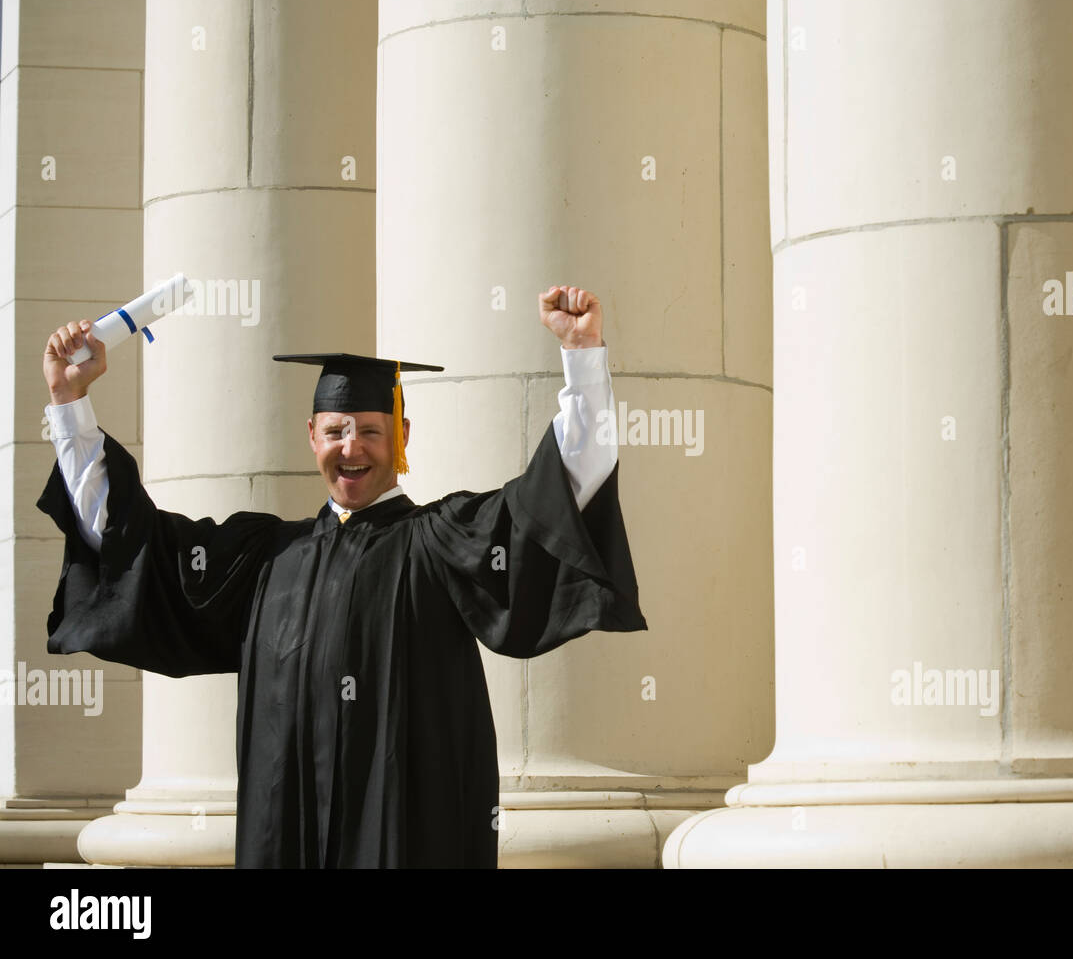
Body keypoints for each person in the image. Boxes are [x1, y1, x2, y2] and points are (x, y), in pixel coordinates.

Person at [36, 285, 648, 867]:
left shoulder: (441, 542)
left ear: (400, 436)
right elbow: (128, 542)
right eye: (335, 430)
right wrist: (70, 402)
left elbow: (556, 497)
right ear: (312, 437)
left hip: (407, 841)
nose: (352, 446)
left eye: (371, 430)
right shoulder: (265, 559)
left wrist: (582, 359)